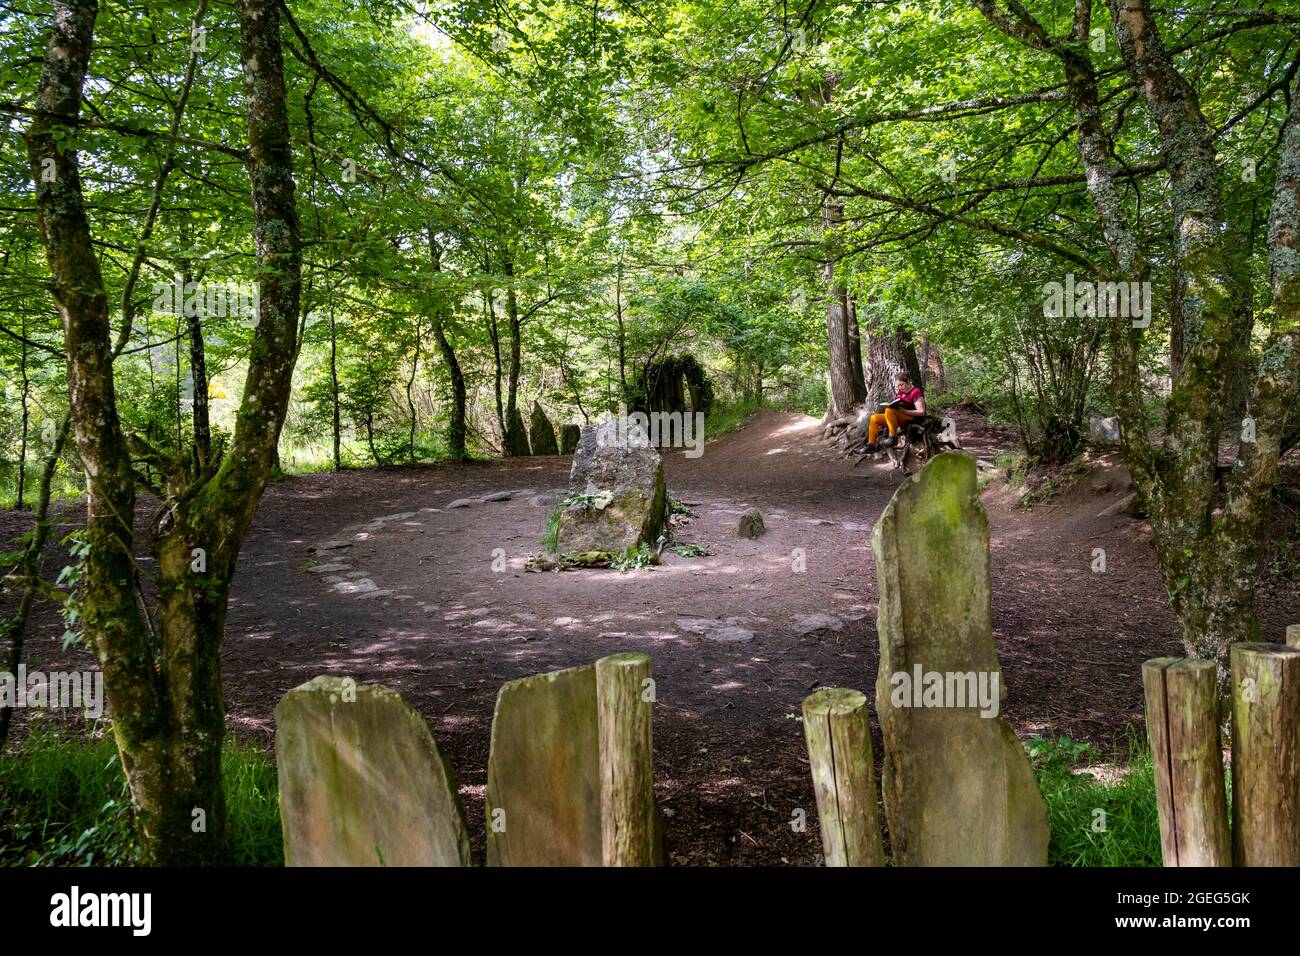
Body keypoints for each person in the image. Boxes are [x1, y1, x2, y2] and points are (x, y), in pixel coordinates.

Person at [863, 373, 925, 453]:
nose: (899, 387)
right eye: (898, 386)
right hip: (897, 417)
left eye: (901, 385)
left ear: (909, 381)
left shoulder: (915, 392)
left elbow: (921, 412)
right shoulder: (900, 392)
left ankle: (892, 438)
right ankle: (871, 445)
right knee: (874, 418)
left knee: (889, 411)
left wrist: (905, 411)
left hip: (911, 418)